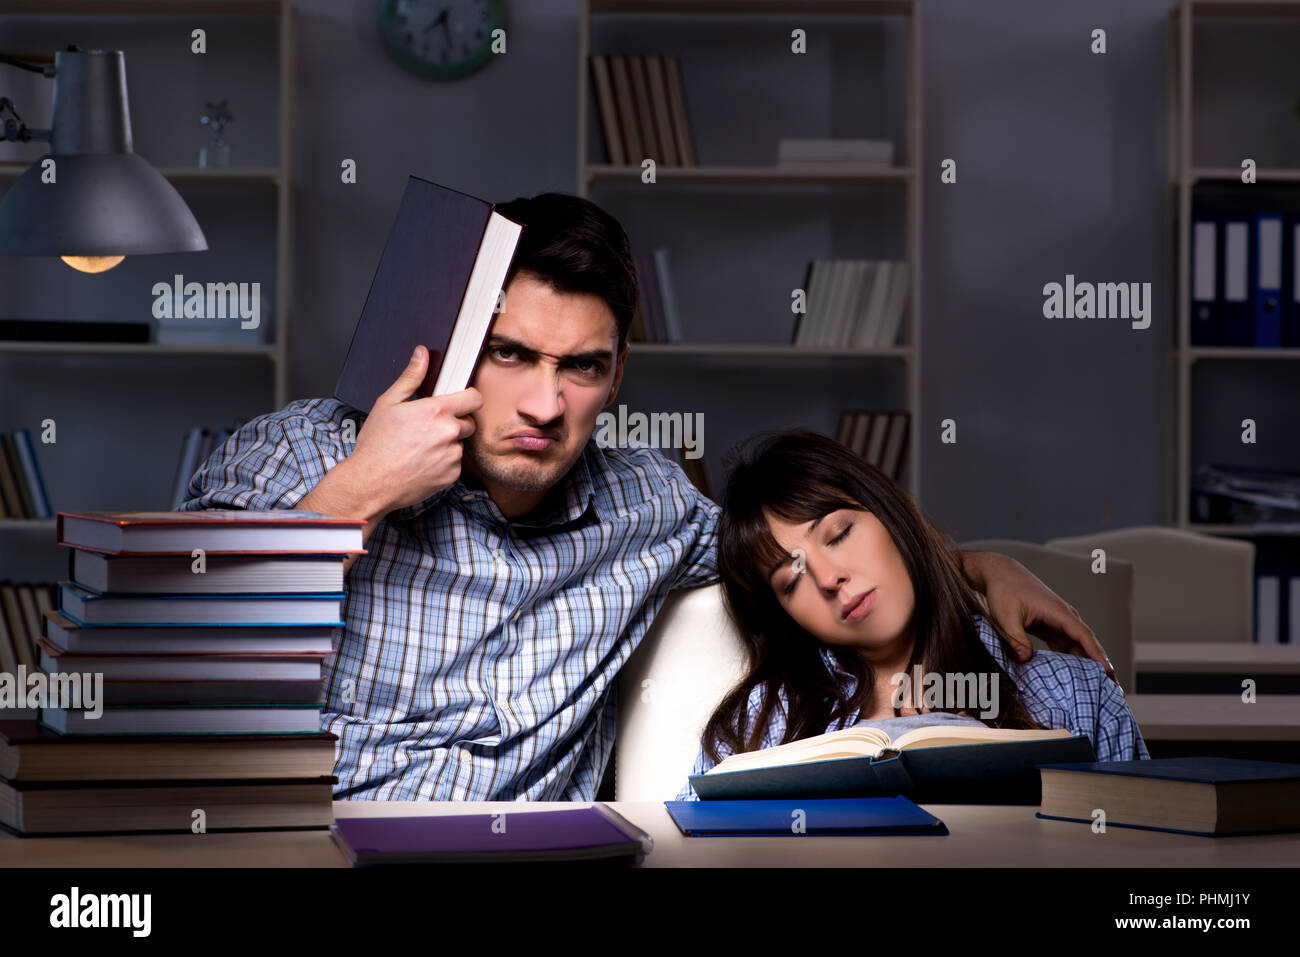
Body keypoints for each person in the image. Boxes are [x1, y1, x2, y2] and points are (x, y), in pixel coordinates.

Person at [181, 190, 1115, 802]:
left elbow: (803, 548)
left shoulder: (647, 503)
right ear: (459, 342)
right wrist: (360, 494)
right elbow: (168, 664)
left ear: (619, 371)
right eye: (513, 355)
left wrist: (977, 563)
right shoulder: (305, 446)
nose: (546, 404)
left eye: (580, 367)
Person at [675, 431, 1149, 801]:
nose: (827, 578)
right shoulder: (760, 722)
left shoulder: (1074, 692)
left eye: (838, 534)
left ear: (891, 513)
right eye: (791, 581)